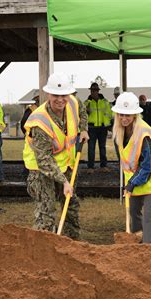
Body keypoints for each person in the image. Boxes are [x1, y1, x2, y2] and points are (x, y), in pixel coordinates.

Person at [23, 73, 89, 238]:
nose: (60, 99)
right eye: (55, 95)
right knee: (47, 209)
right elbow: (44, 159)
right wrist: (64, 181)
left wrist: (84, 128)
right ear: (48, 95)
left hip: (66, 163)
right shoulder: (40, 122)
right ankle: (44, 248)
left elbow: (82, 111)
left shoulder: (73, 102)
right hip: (40, 168)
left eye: (63, 95)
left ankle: (73, 243)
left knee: (71, 204)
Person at [112, 92, 151, 243]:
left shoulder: (144, 133)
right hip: (135, 177)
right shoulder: (119, 131)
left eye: (128, 115)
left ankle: (150, 248)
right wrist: (129, 182)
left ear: (135, 115)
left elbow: (146, 166)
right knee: (133, 209)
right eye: (121, 115)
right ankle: (136, 241)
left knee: (149, 212)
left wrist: (131, 184)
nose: (124, 118)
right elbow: (126, 159)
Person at [84, 82, 112, 172]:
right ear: (90, 91)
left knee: (102, 147)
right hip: (91, 128)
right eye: (92, 90)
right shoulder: (86, 102)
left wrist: (108, 126)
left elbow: (109, 114)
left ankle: (103, 166)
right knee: (91, 148)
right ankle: (90, 167)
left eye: (95, 90)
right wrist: (86, 110)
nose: (94, 92)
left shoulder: (105, 102)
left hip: (102, 128)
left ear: (98, 91)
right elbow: (82, 115)